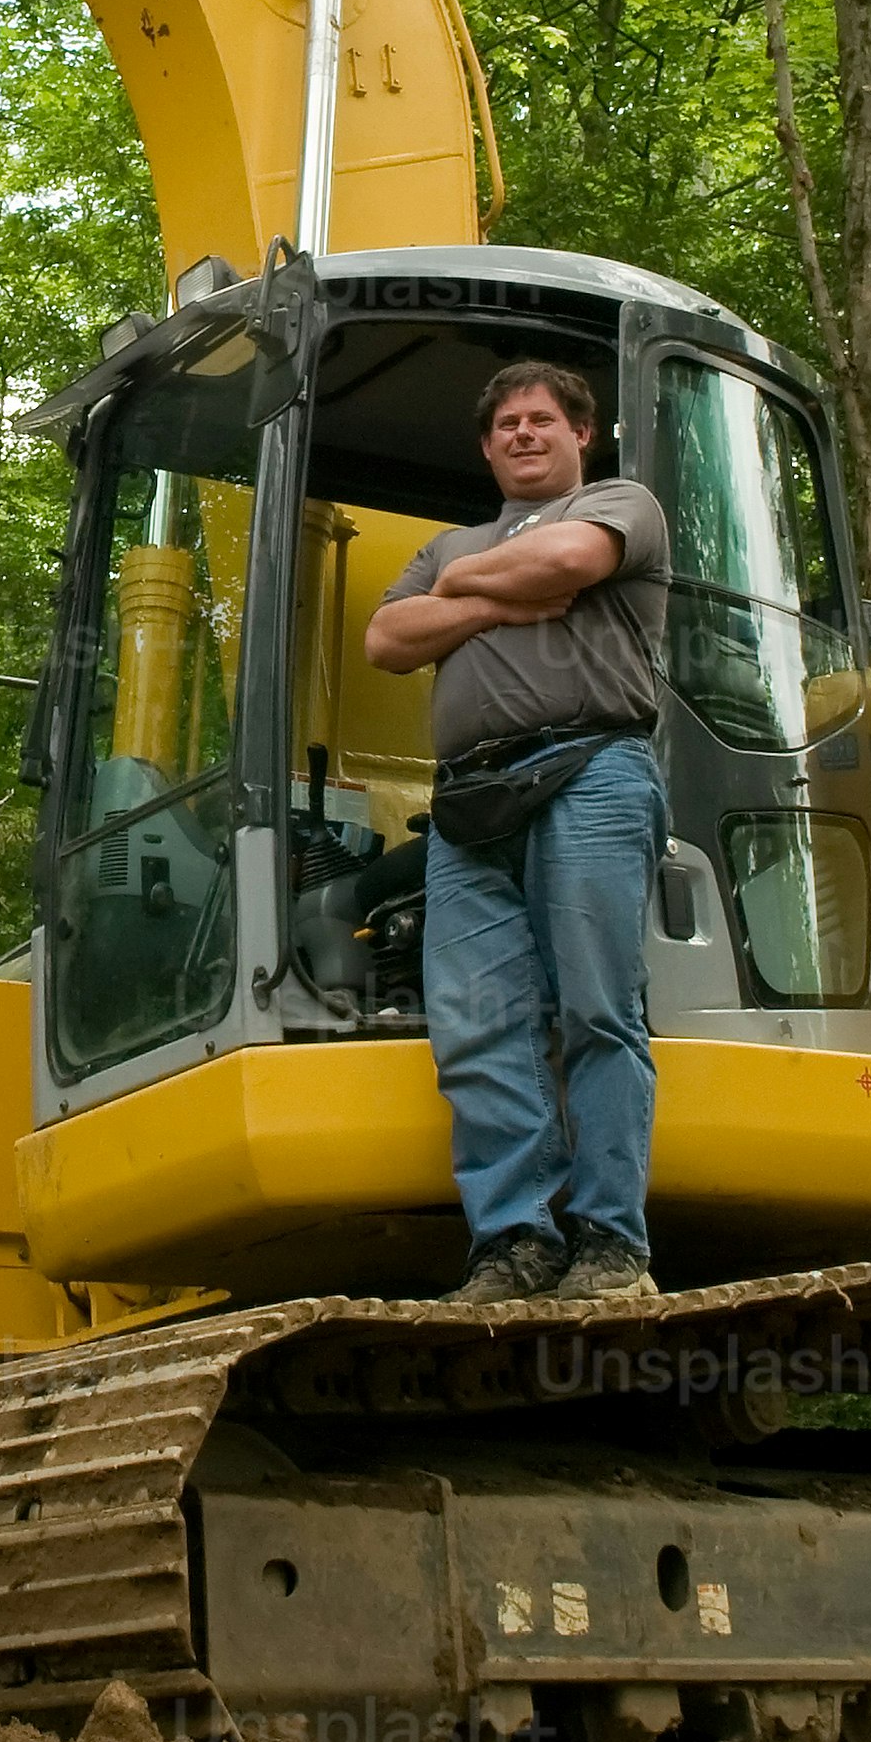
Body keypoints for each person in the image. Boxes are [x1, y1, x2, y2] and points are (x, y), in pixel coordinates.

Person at [364, 358, 670, 1313]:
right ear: (486, 446)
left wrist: (453, 593)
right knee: (476, 1026)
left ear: (583, 435)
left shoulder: (621, 503)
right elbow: (386, 640)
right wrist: (490, 595)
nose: (523, 434)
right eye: (505, 424)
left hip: (588, 768)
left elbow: (568, 564)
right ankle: (515, 1241)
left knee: (594, 1009)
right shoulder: (450, 541)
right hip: (468, 803)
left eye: (542, 419)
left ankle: (612, 1243)